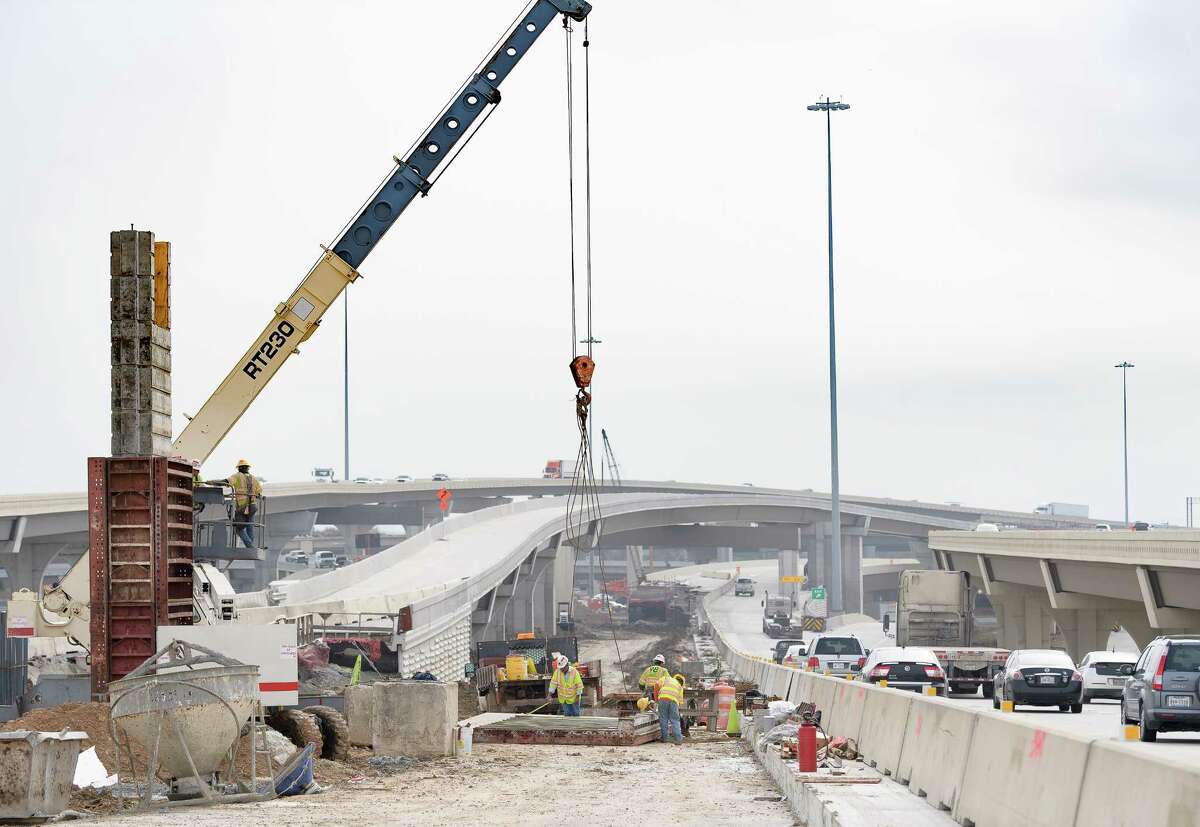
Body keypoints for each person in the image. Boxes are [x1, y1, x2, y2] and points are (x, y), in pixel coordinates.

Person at [207, 459, 262, 548]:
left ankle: (250, 546)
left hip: (243, 507)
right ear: (248, 468)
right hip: (253, 506)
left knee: (238, 529)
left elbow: (225, 482)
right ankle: (251, 547)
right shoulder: (254, 478)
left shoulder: (237, 476)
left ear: (239, 468)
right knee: (250, 526)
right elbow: (259, 492)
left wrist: (212, 482)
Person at [653, 673, 684, 745]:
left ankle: (665, 738)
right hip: (674, 701)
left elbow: (656, 685)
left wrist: (656, 700)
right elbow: (680, 702)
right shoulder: (680, 686)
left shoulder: (666, 678)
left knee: (663, 719)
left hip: (662, 698)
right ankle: (678, 739)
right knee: (675, 720)